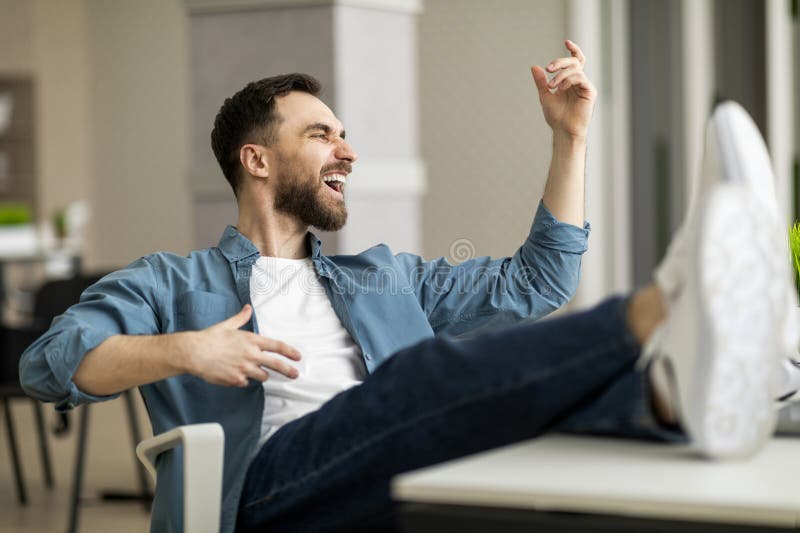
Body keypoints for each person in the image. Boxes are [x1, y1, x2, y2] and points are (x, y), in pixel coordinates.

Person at [19, 41, 793, 533]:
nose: (347, 150)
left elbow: (537, 280)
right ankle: (670, 304)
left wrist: (571, 138)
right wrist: (184, 350)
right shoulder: (172, 281)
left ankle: (711, 384)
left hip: (406, 463)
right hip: (273, 490)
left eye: (343, 133)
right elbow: (50, 361)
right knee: (420, 376)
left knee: (597, 446)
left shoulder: (384, 275)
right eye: (321, 133)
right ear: (257, 160)